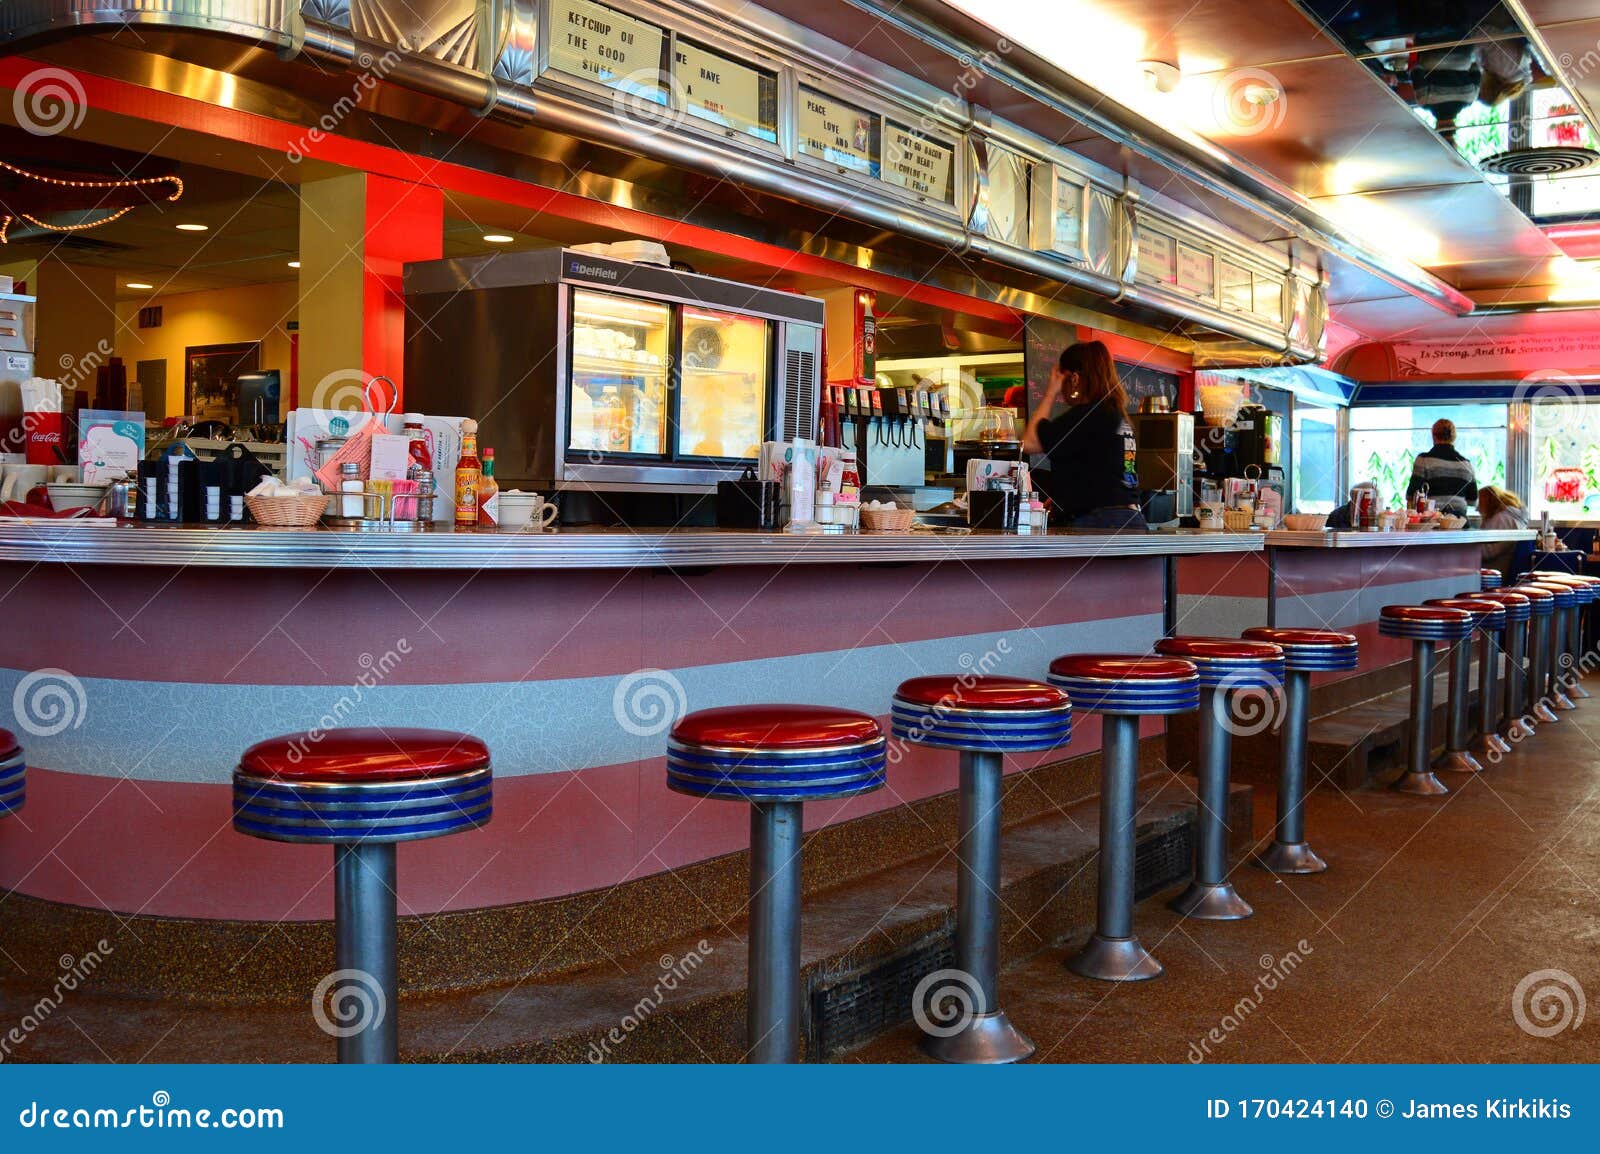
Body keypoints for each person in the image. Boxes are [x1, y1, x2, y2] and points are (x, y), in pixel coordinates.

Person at [1022, 340, 1145, 531]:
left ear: (1074, 379)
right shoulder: (1116, 416)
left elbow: (1029, 443)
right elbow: (1099, 468)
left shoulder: (1087, 415)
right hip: (1130, 520)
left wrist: (1050, 392)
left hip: (1100, 523)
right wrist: (1066, 497)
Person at [1406, 418, 1477, 516]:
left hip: (1432, 521)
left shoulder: (1423, 460)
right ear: (1453, 437)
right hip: (1460, 523)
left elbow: (1412, 496)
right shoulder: (1466, 464)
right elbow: (1473, 501)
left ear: (1434, 436)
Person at [1477, 485, 1527, 581]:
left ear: (1489, 501)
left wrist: (1465, 550)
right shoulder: (1511, 517)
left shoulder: (1502, 519)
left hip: (1496, 572)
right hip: (1504, 567)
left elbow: (1489, 552)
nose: (1477, 509)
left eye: (1480, 503)